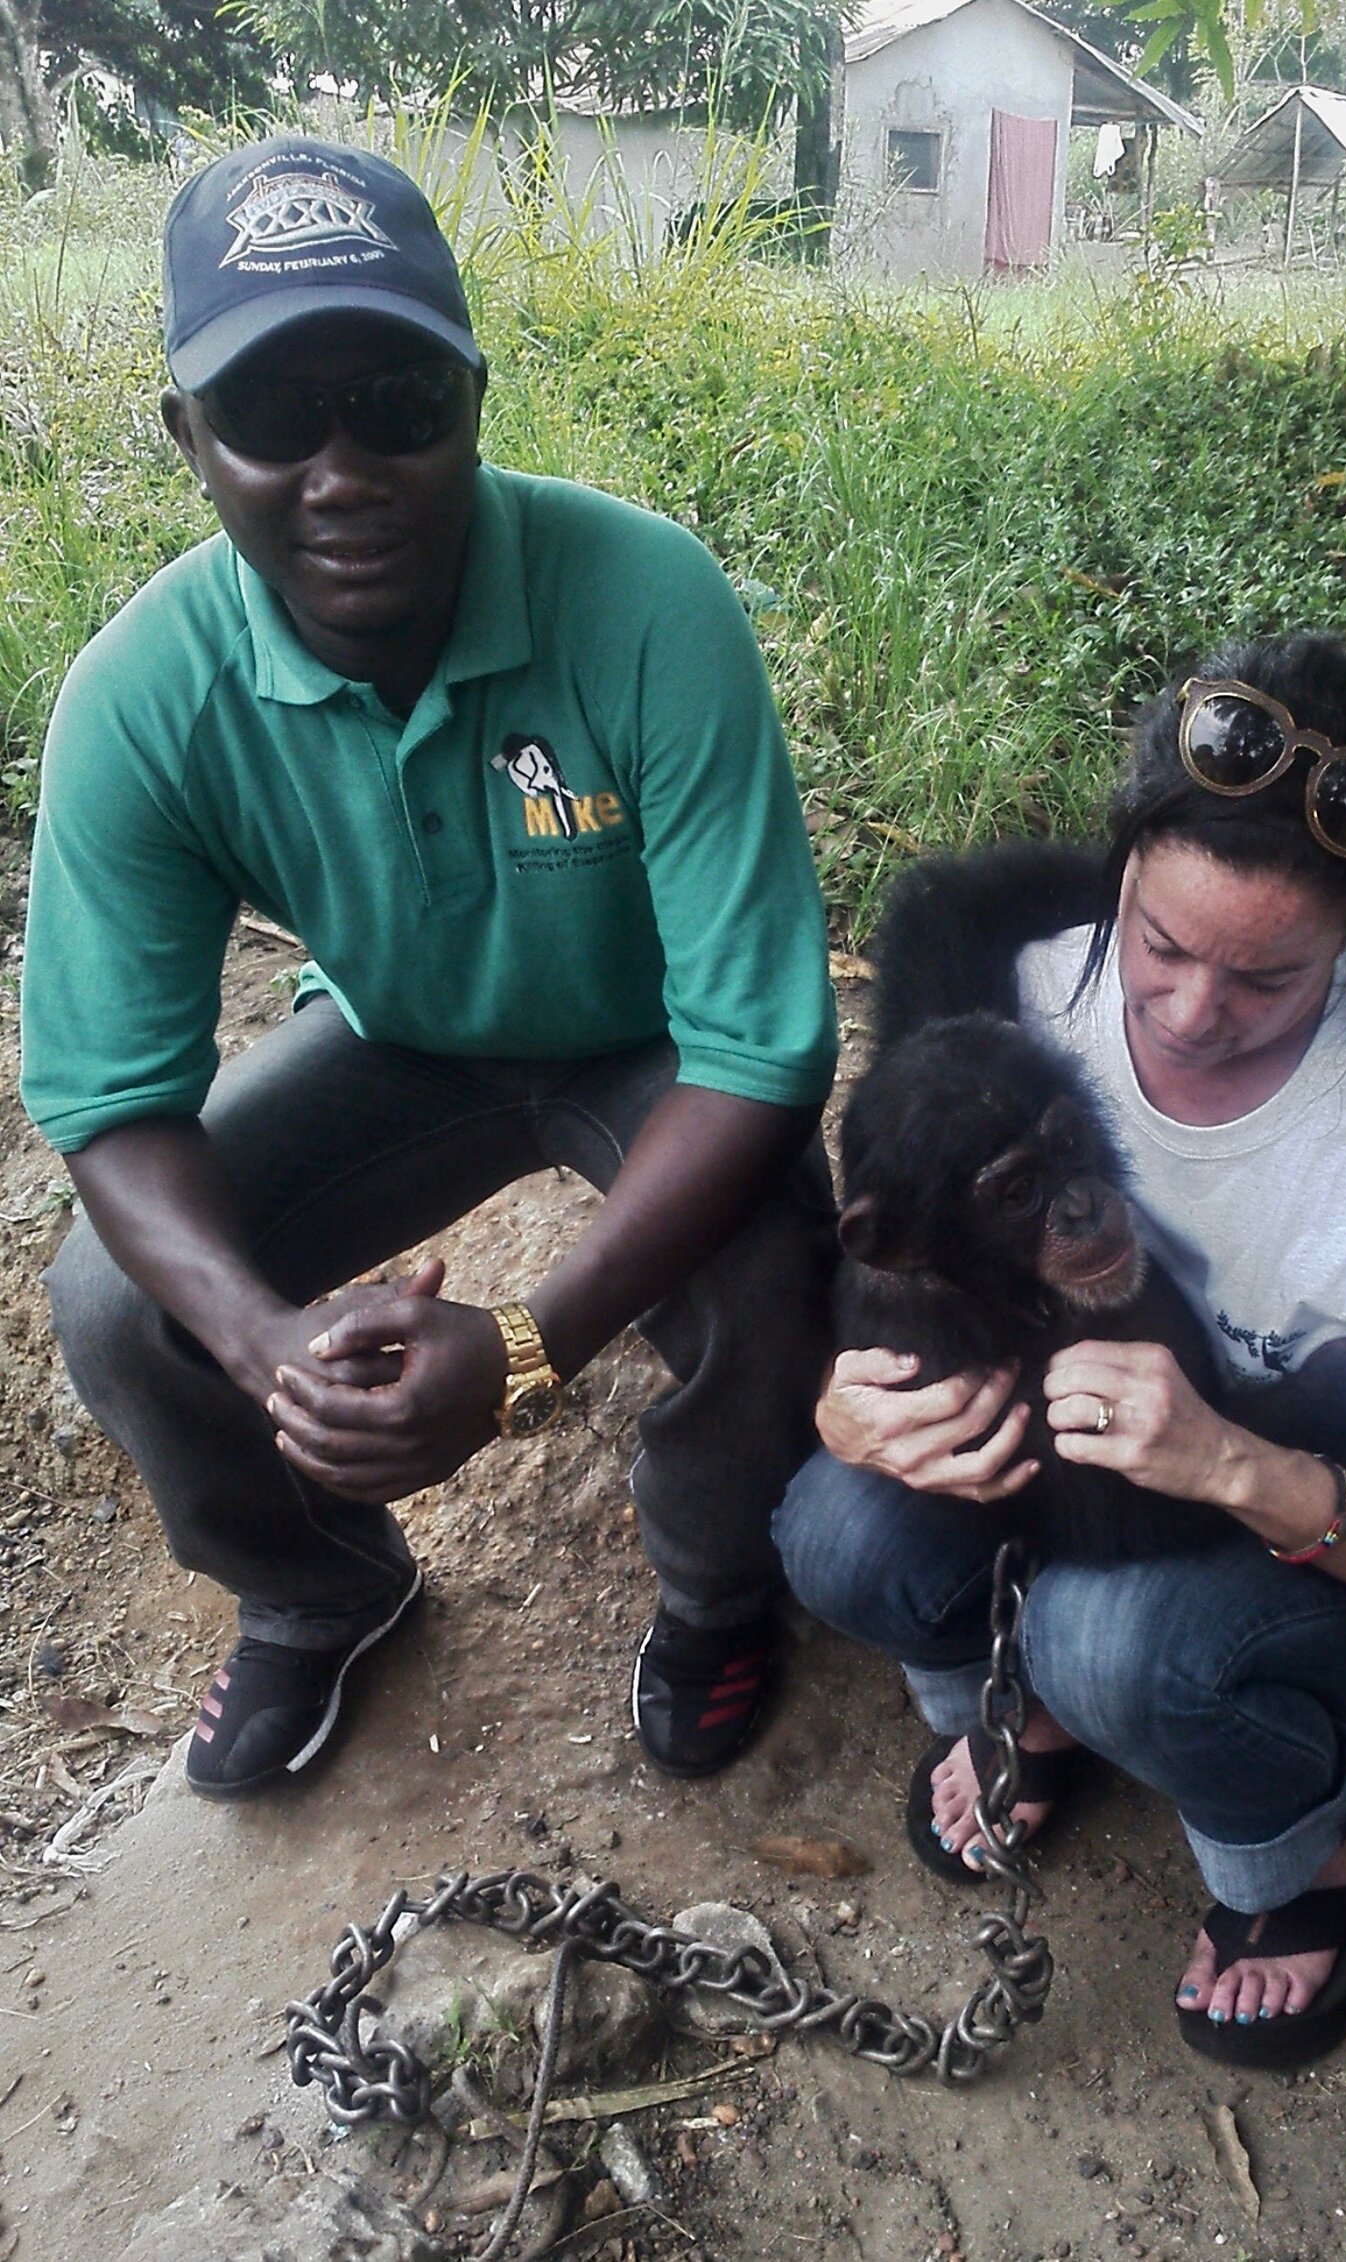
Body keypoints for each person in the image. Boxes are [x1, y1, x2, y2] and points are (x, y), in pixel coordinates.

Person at [20, 136, 839, 1801]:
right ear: (190, 439)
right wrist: (269, 1347)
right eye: (270, 413)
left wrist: (525, 1348)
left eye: (396, 398)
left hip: (649, 1043)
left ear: (471, 395)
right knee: (117, 1305)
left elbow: (756, 1045)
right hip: (400, 1040)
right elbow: (112, 1106)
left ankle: (714, 1584)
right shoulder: (141, 701)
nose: (342, 468)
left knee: (768, 1267)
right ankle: (322, 1584)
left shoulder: (644, 599)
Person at [775, 632, 1346, 2069]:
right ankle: (1037, 1719)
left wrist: (1235, 1464)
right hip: (1100, 1449)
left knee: (1107, 1637)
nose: (1194, 1012)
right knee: (834, 1525)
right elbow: (892, 1216)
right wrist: (847, 1403)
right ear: (1116, 869)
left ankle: (1324, 1849)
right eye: (1159, 944)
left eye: (1267, 978)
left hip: (1334, 1512)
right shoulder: (1017, 964)